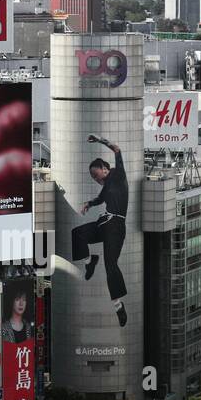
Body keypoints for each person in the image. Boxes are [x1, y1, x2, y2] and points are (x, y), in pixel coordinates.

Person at [72, 134, 130, 327]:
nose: (96, 179)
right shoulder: (106, 187)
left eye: (96, 175)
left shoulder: (118, 175)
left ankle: (118, 306)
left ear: (105, 169)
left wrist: (99, 140)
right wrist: (89, 203)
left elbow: (117, 150)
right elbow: (99, 199)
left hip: (115, 227)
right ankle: (90, 260)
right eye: (92, 177)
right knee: (77, 233)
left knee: (111, 265)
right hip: (103, 223)